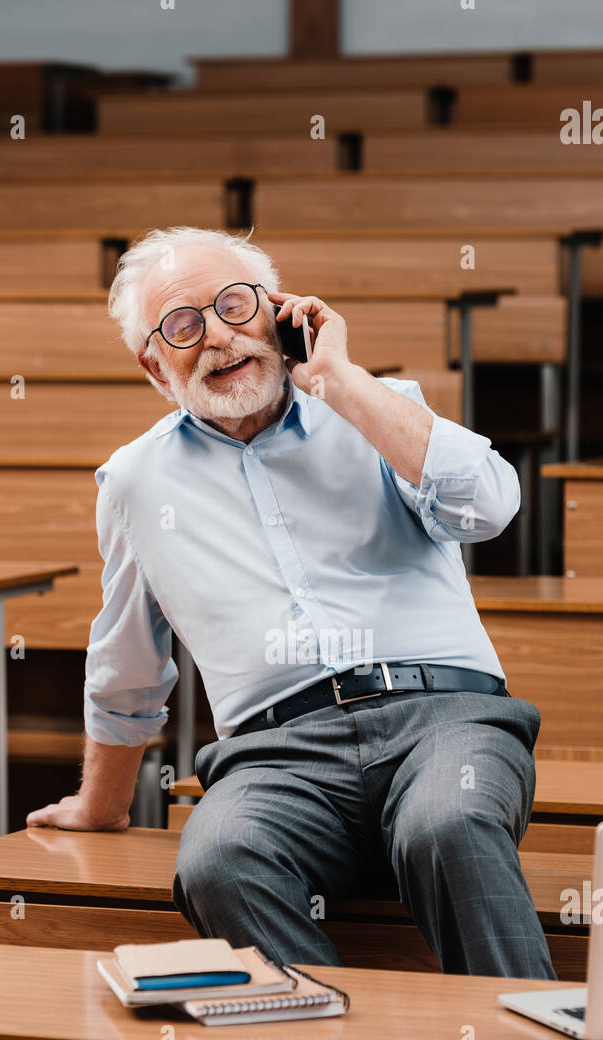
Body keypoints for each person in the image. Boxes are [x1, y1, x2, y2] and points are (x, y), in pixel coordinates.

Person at [28, 225, 556, 980]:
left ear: (278, 311)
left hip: (443, 720)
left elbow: (490, 507)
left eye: (234, 305)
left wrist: (339, 381)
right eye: (183, 325)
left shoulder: (376, 407)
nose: (216, 336)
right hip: (274, 761)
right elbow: (128, 668)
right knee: (218, 860)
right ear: (154, 364)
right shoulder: (136, 482)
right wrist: (100, 803)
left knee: (448, 825)